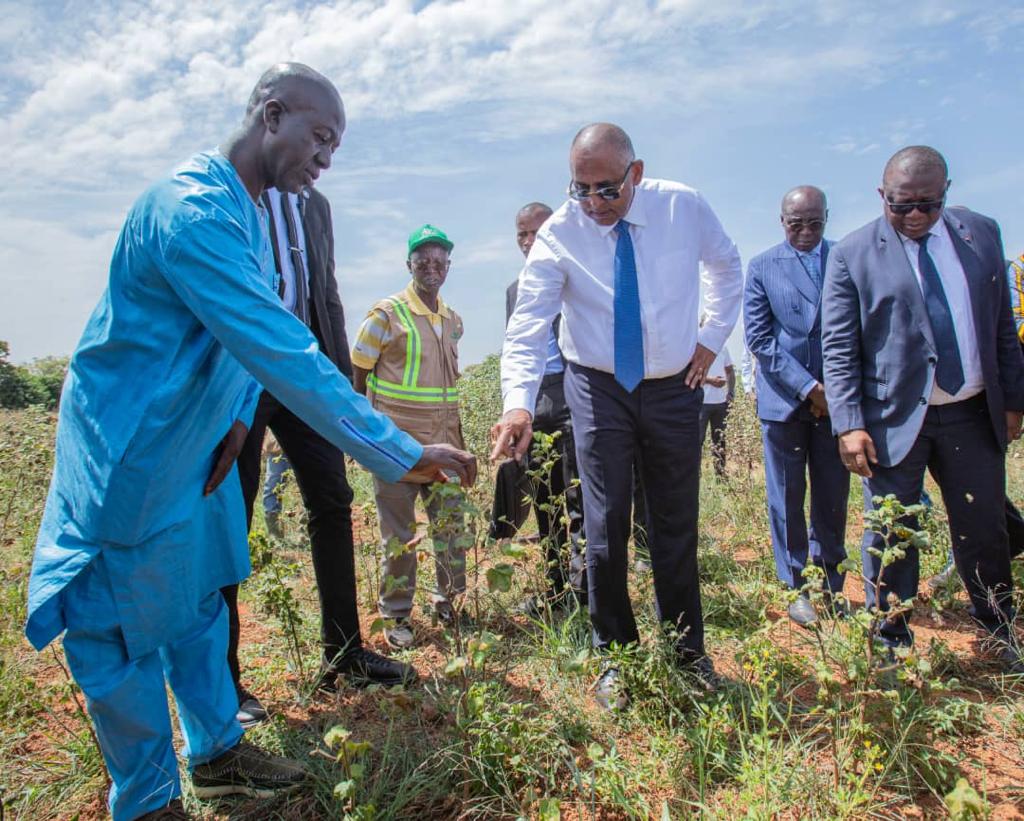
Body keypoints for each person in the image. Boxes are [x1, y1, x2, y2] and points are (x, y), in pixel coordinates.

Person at [23, 64, 477, 821]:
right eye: (320, 137)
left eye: (335, 145)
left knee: (199, 596)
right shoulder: (194, 210)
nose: (326, 158)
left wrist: (238, 418)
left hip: (198, 442)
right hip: (132, 443)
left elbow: (240, 344)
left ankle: (217, 754)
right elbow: (274, 342)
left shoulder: (250, 216)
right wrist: (398, 449)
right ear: (272, 115)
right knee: (117, 624)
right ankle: (147, 798)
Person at [492, 123, 743, 709]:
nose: (594, 203)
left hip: (674, 383)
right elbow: (528, 327)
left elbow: (727, 267)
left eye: (608, 189)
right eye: (580, 188)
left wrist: (710, 337)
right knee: (603, 527)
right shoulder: (558, 234)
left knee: (673, 521)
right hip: (597, 385)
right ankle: (617, 658)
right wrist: (517, 404)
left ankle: (688, 654)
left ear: (636, 173)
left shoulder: (682, 206)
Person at [821, 145, 1024, 672]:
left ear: (946, 193)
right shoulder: (853, 253)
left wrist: (1014, 401)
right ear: (880, 195)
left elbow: (1002, 323)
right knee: (893, 529)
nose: (913, 216)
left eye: (926, 205)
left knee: (984, 526)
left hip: (972, 411)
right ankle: (890, 638)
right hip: (892, 420)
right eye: (900, 204)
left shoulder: (981, 235)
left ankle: (998, 626)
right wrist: (849, 424)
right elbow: (839, 348)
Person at [225, 178, 416, 732]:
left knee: (333, 500)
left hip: (305, 370)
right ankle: (224, 678)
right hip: (245, 369)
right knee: (232, 514)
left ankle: (344, 652)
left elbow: (324, 292)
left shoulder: (316, 205)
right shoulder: (242, 193)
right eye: (317, 138)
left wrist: (339, 385)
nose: (320, 158)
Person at [352, 225, 468, 650]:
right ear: (410, 266)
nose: (431, 269)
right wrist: (365, 433)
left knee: (452, 527)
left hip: (446, 444)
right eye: (423, 262)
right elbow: (359, 372)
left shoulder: (453, 321)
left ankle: (450, 603)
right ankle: (397, 617)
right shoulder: (387, 314)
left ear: (448, 267)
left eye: (439, 263)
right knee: (399, 535)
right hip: (398, 447)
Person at [744, 186, 850, 627]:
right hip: (785, 402)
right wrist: (809, 387)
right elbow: (760, 339)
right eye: (795, 223)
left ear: (827, 217)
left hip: (839, 402)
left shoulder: (847, 259)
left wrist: (836, 391)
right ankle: (796, 586)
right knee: (786, 498)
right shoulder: (762, 266)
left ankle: (830, 585)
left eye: (814, 223)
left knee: (833, 496)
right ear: (781, 220)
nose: (805, 231)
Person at [496, 201, 587, 616]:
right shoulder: (516, 291)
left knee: (579, 500)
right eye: (522, 234)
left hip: (574, 395)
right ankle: (555, 593)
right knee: (545, 501)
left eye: (538, 231)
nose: (529, 240)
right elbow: (518, 352)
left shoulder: (576, 278)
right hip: (536, 404)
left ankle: (585, 593)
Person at [698, 317, 734, 479]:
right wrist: (712, 381)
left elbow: (730, 371)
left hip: (720, 402)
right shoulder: (695, 347)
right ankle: (695, 476)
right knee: (697, 441)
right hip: (702, 402)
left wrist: (730, 392)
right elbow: (689, 373)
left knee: (719, 440)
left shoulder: (723, 348)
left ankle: (720, 475)